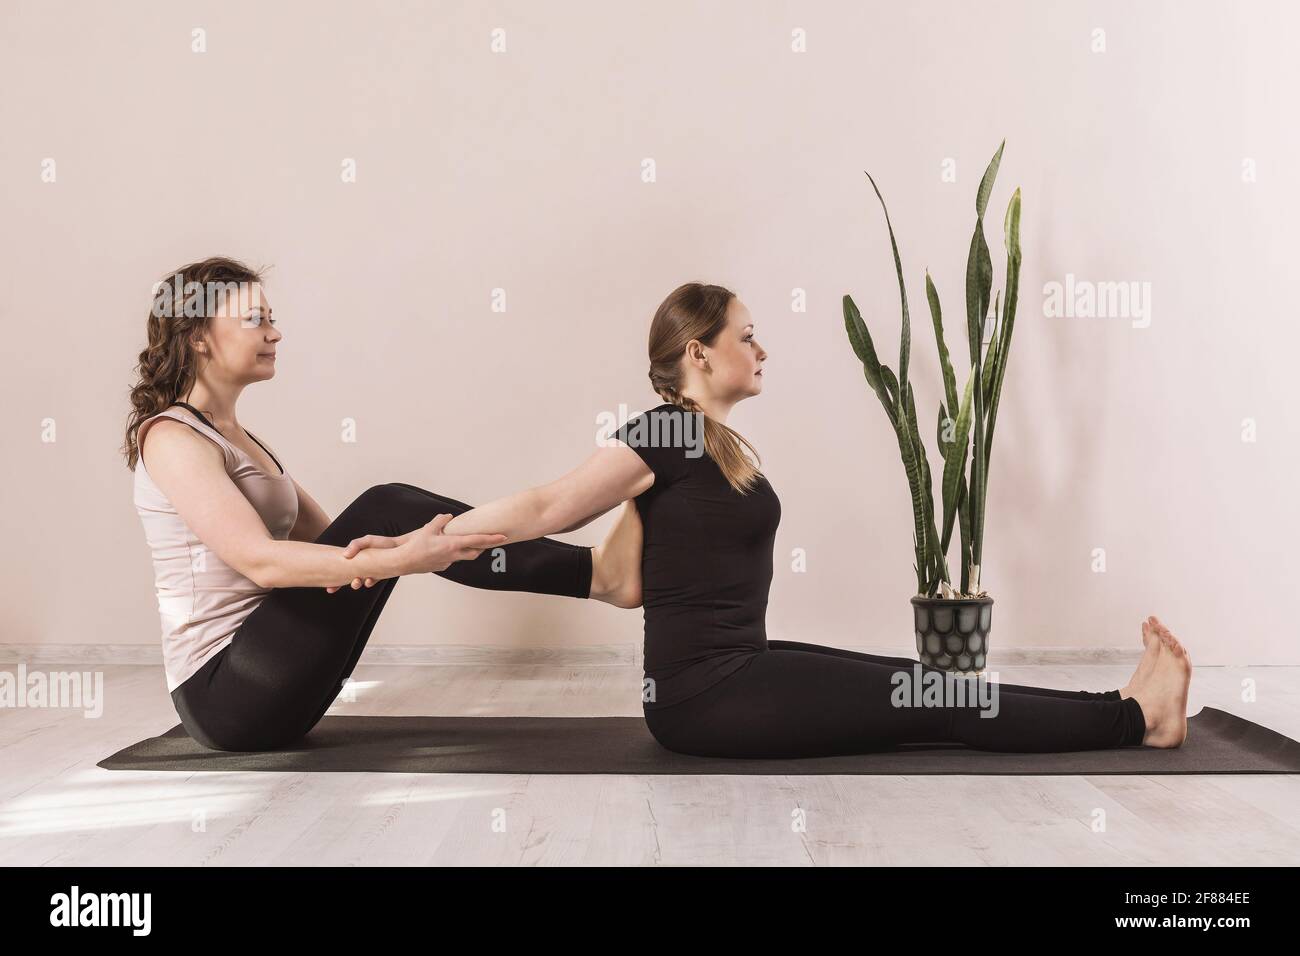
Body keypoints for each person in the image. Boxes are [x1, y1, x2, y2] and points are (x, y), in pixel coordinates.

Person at [341, 280, 1193, 758]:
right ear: (698, 353)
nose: (763, 349)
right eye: (748, 336)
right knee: (934, 699)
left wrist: (438, 554)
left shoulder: (705, 443)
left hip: (728, 675)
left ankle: (1119, 703)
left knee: (930, 685)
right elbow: (544, 508)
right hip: (709, 696)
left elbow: (617, 582)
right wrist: (432, 544)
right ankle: (1133, 718)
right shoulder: (667, 430)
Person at [125, 256, 644, 752]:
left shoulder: (237, 437)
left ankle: (599, 573)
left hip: (270, 681)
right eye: (255, 321)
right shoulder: (173, 438)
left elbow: (340, 544)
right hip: (224, 693)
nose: (275, 333)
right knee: (387, 504)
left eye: (272, 320)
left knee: (388, 514)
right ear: (197, 338)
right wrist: (403, 557)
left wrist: (402, 550)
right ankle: (598, 575)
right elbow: (260, 561)